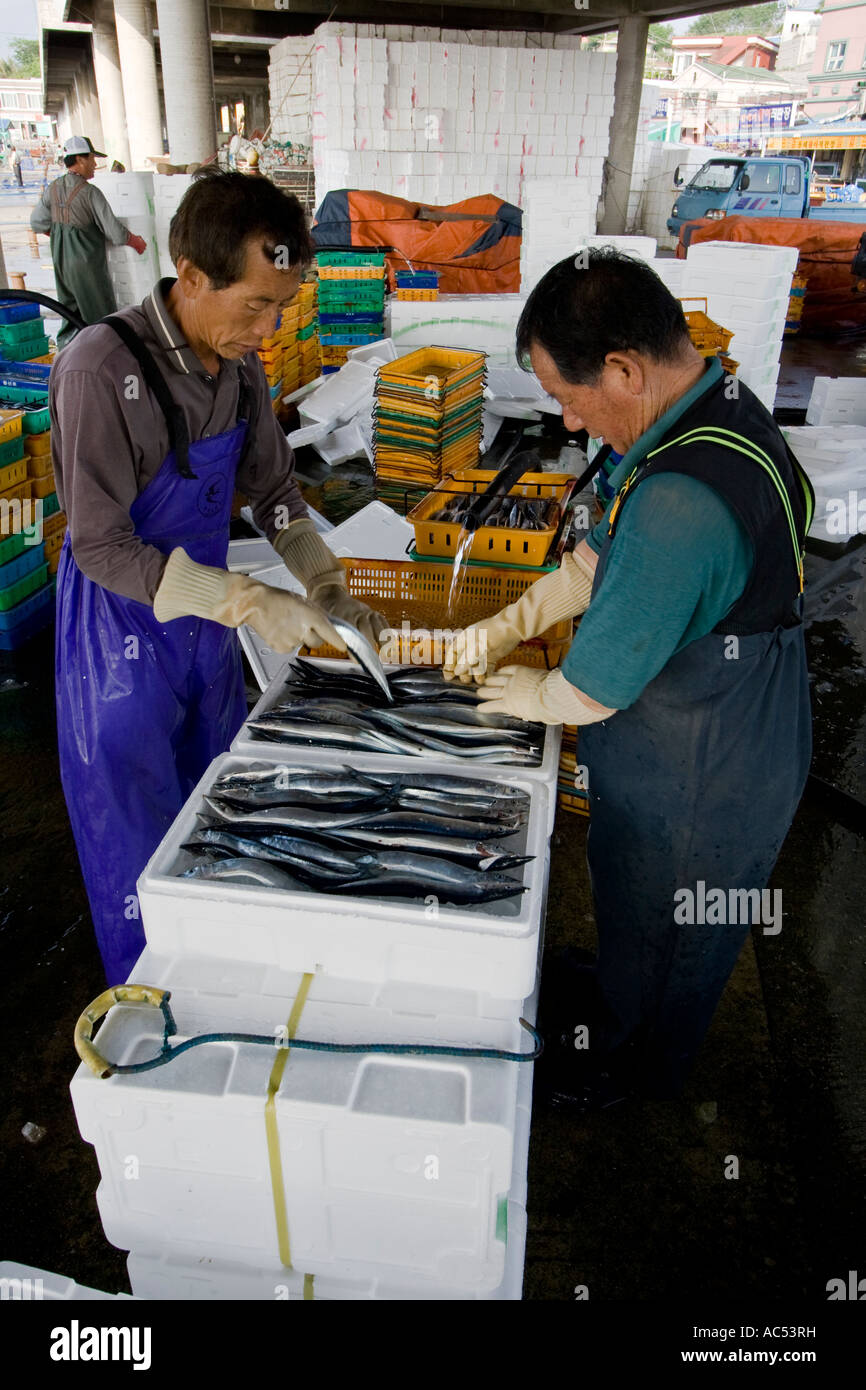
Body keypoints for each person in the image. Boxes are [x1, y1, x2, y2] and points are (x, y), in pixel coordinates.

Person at [444, 250, 814, 1111]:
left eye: (570, 401)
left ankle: (632, 1071)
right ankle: (618, 990)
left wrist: (527, 696)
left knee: (674, 922)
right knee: (632, 895)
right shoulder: (699, 411)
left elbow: (589, 692)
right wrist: (508, 623)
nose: (570, 426)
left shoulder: (683, 504)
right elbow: (599, 561)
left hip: (708, 765)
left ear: (623, 369)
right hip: (706, 721)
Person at [51, 168, 386, 987]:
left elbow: (273, 493)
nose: (269, 331)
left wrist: (324, 586)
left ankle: (232, 989)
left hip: (208, 639)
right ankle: (148, 1015)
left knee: (225, 817)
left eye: (281, 307)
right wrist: (245, 598)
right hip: (120, 646)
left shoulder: (239, 371)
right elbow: (100, 545)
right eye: (255, 306)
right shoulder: (100, 370)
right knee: (139, 851)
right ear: (190, 277)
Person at [29, 135, 148, 350]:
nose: (95, 164)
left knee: (69, 314)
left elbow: (37, 222)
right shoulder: (89, 193)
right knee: (99, 316)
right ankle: (106, 358)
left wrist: (58, 236)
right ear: (80, 160)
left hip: (62, 262)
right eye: (92, 158)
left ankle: (67, 354)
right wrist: (136, 241)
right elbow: (115, 232)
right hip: (86, 266)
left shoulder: (53, 189)